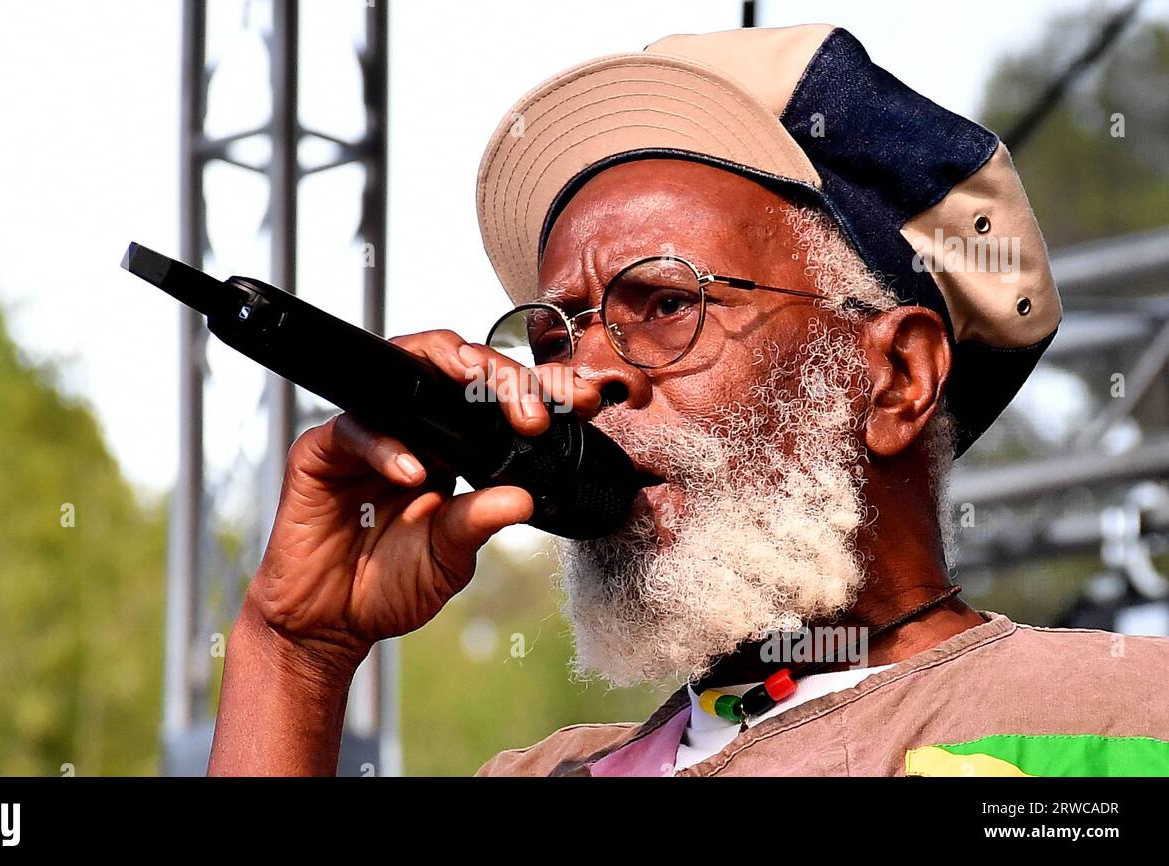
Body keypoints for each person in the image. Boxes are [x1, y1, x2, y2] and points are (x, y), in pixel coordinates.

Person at [207, 24, 1169, 777]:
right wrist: (295, 654)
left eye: (667, 303)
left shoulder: (1114, 722)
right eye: (553, 336)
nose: (579, 381)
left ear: (897, 378)